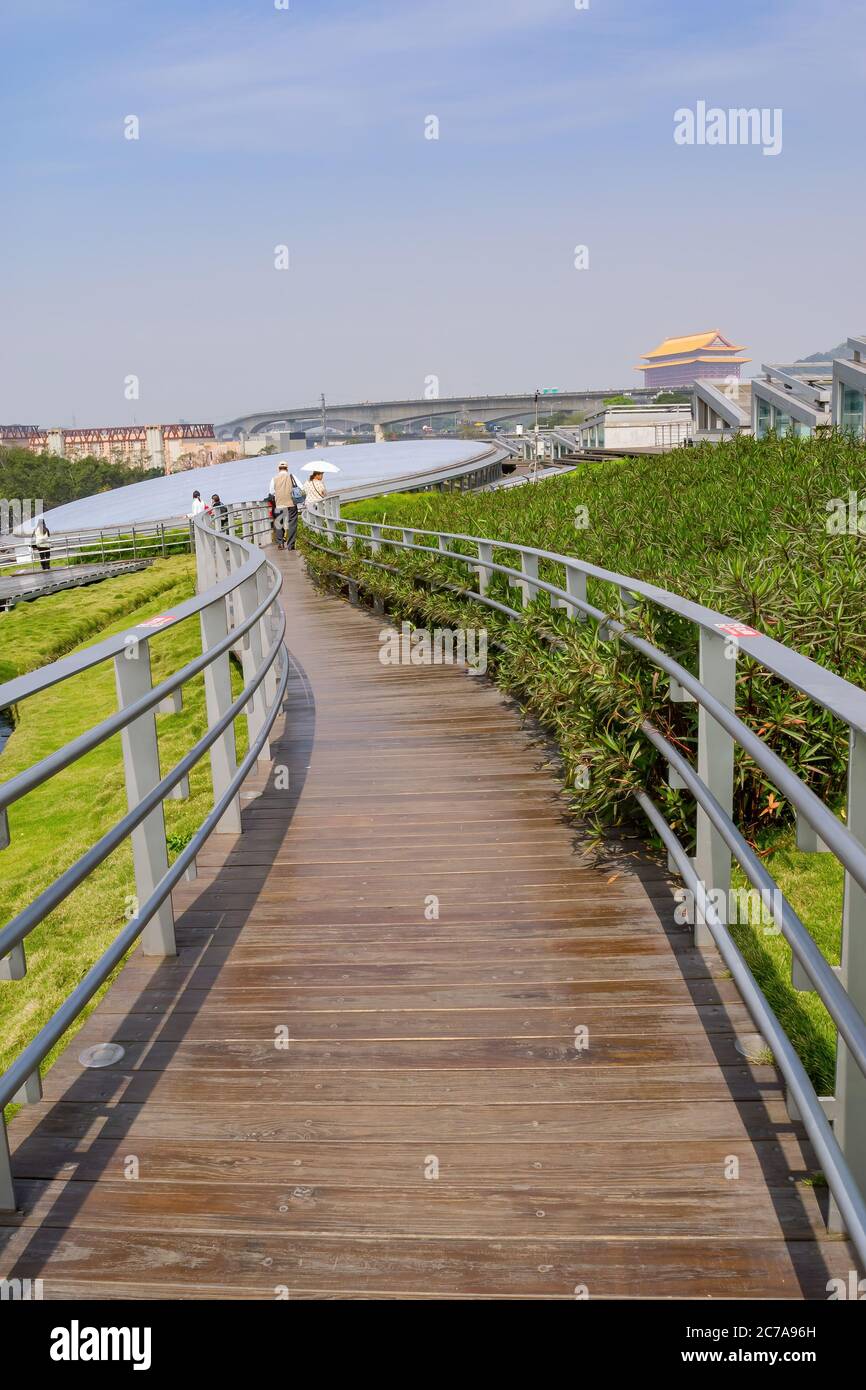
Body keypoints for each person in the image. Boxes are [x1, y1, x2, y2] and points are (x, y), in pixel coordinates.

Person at [269, 461, 301, 550]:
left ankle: (280, 543)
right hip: (291, 503)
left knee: (278, 522)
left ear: (278, 469)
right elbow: (300, 487)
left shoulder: (274, 478)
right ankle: (291, 545)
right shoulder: (292, 476)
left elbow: (271, 492)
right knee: (292, 523)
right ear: (287, 468)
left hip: (279, 504)